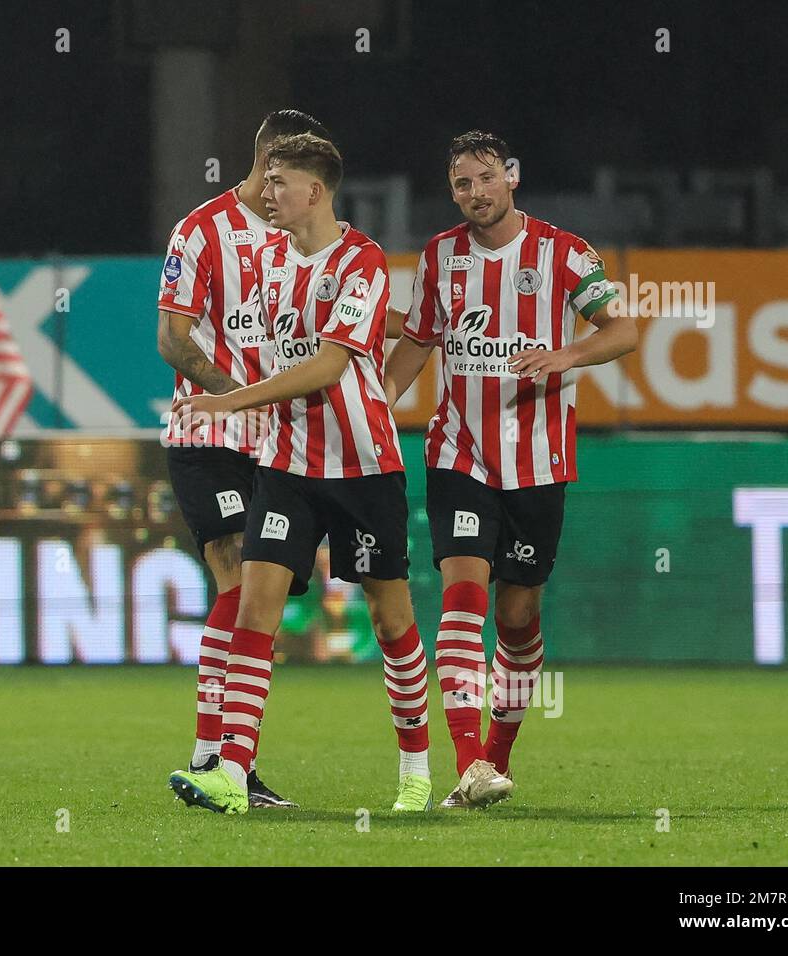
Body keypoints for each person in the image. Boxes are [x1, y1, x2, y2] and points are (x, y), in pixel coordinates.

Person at [168, 133, 433, 815]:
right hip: (287, 460)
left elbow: (326, 366)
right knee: (256, 609)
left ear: (315, 191)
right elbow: (268, 355)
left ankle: (415, 770)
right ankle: (231, 767)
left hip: (363, 464)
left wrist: (230, 401)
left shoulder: (363, 260)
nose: (267, 193)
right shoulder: (265, 263)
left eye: (280, 182)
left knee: (390, 618)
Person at [384, 130, 638, 807]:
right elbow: (416, 343)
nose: (474, 193)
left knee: (519, 615)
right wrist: (374, 407)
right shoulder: (439, 256)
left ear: (512, 178)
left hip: (538, 462)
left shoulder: (564, 252)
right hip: (458, 453)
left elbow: (624, 329)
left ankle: (496, 756)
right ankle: (468, 760)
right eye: (462, 183)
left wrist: (567, 355)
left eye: (485, 178)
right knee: (461, 594)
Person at [157, 108, 333, 809]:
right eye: (275, 171)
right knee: (233, 583)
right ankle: (213, 757)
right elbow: (173, 341)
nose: (280, 187)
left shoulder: (311, 242)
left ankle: (234, 764)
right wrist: (239, 396)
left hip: (284, 446)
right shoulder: (200, 231)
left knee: (265, 604)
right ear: (259, 160)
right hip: (209, 436)